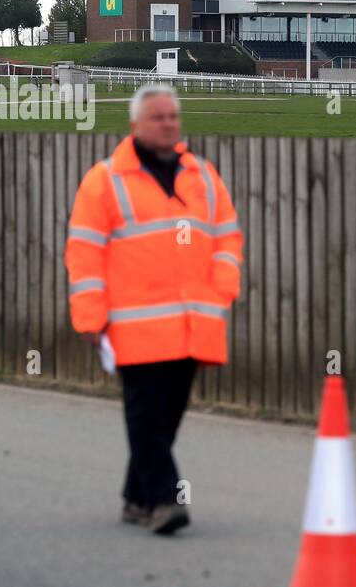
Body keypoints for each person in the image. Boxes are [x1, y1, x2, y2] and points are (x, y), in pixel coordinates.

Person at [64, 84, 242, 534]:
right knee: (145, 412)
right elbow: (84, 253)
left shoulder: (202, 176)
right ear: (135, 126)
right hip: (133, 326)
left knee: (166, 416)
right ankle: (164, 500)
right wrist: (90, 317)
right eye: (158, 117)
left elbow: (227, 236)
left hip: (192, 322)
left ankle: (134, 497)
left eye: (173, 116)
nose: (168, 123)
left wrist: (223, 289)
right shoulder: (104, 181)